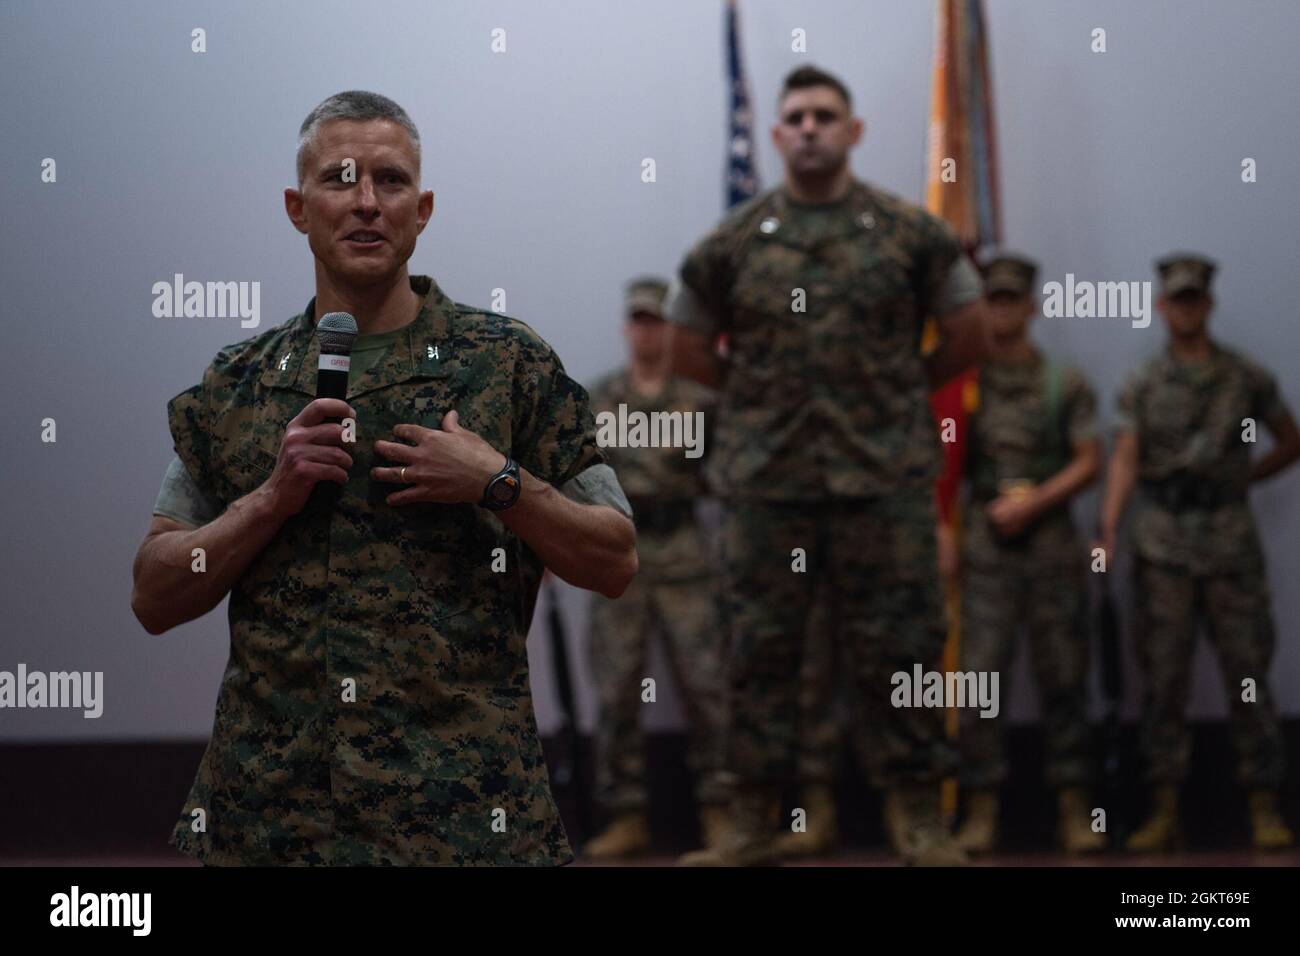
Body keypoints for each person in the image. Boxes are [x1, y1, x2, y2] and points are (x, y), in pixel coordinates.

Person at [130, 90, 637, 866]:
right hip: (275, 816)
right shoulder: (241, 384)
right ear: (298, 208)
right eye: (339, 179)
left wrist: (497, 480)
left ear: (423, 208)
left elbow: (614, 558)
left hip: (466, 815)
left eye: (391, 181)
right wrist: (271, 497)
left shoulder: (507, 365)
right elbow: (155, 594)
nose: (366, 202)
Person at [667, 65, 987, 866]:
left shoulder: (910, 233)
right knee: (757, 653)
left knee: (906, 650)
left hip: (885, 485)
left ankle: (919, 820)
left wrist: (896, 387)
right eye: (796, 117)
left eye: (825, 115)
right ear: (776, 136)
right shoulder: (730, 243)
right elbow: (686, 348)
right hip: (768, 487)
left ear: (853, 130)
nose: (810, 127)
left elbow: (970, 331)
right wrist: (761, 396)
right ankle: (747, 820)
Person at [1099, 253, 1299, 853]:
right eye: (1175, 300)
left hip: (1228, 540)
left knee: (1247, 675)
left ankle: (1264, 803)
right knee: (1164, 680)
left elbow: (1290, 439)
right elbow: (1126, 458)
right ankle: (1164, 808)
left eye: (1195, 299)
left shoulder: (1245, 378)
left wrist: (1247, 478)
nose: (1185, 309)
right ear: (1161, 307)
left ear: (1208, 305)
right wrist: (1108, 528)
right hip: (1162, 539)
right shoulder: (1142, 383)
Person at [950, 253, 1106, 855]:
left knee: (1064, 675)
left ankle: (1074, 806)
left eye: (1013, 299)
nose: (1002, 310)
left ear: (1033, 306)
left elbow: (1090, 459)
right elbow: (947, 467)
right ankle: (981, 809)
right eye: (992, 299)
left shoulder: (1062, 382)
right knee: (980, 678)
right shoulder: (965, 386)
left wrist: (1035, 502)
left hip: (1050, 544)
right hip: (987, 544)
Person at [582, 277, 733, 859]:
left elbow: (731, 469)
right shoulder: (598, 400)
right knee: (617, 687)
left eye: (657, 321)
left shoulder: (700, 400)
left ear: (671, 329)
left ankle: (721, 811)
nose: (648, 331)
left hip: (684, 549)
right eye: (639, 321)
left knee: (707, 685)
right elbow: (578, 475)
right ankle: (626, 812)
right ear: (627, 328)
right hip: (620, 549)